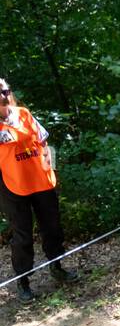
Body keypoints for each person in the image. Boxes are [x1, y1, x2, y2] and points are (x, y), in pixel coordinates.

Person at [0, 78, 77, 304]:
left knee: (52, 227)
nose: (4, 94)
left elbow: (43, 142)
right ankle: (24, 282)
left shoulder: (23, 113)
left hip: (41, 180)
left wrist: (51, 173)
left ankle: (57, 266)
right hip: (12, 185)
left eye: (6, 89)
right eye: (0, 91)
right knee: (22, 235)